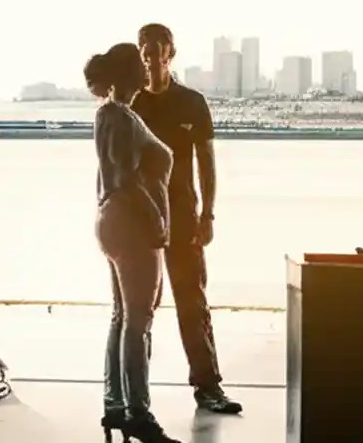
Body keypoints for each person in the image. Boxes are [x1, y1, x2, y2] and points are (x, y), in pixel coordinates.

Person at [131, 24, 243, 415]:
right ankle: (132, 394)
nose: (151, 56)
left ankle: (208, 386)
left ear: (170, 54)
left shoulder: (192, 103)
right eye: (144, 49)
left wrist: (208, 214)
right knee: (135, 310)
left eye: (158, 49)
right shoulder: (131, 105)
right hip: (140, 221)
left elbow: (207, 164)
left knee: (192, 303)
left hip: (184, 219)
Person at [86, 42, 180, 443]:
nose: (148, 69)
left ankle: (115, 405)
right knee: (138, 321)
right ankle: (138, 414)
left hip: (113, 222)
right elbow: (124, 178)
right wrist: (157, 217)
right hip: (133, 227)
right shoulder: (120, 119)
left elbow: (111, 179)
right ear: (128, 73)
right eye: (142, 64)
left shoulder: (110, 115)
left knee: (122, 316)